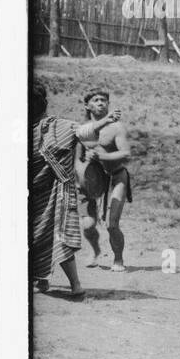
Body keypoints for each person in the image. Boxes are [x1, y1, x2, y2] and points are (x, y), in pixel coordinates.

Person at [30, 81, 121, 297]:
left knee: (61, 237)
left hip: (58, 192)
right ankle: (41, 279)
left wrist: (106, 121)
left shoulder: (60, 126)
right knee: (33, 238)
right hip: (32, 195)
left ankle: (76, 285)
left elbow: (84, 131)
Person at [77, 88, 133, 272]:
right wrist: (81, 178)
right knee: (88, 225)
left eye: (103, 100)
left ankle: (118, 259)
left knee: (112, 224)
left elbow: (126, 154)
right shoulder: (84, 130)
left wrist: (102, 158)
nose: (100, 103)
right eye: (96, 100)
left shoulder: (116, 127)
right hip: (91, 179)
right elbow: (77, 159)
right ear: (87, 105)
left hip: (116, 176)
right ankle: (95, 251)